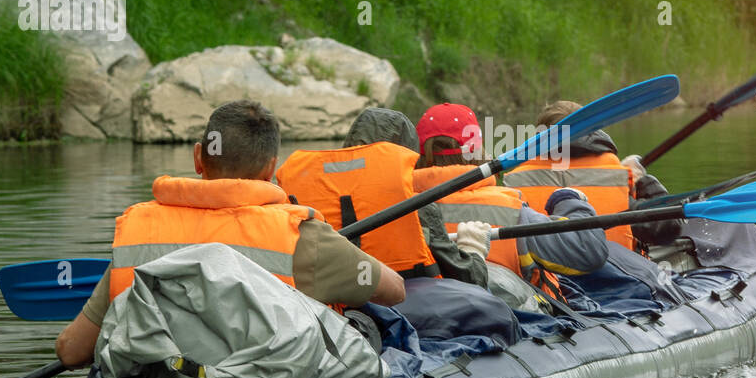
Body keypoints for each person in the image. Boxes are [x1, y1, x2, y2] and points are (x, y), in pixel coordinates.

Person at [55, 100, 405, 369]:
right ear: (271, 168)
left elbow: (71, 351)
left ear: (197, 158)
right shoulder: (302, 235)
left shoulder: (139, 231)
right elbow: (393, 290)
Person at [414, 103, 610, 305]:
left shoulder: (395, 207)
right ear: (477, 152)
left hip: (424, 314)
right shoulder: (508, 212)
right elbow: (589, 251)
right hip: (514, 324)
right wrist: (569, 201)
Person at [276, 108, 490, 289]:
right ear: (405, 158)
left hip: (331, 306)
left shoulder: (296, 201)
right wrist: (474, 248)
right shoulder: (418, 206)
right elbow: (471, 280)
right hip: (407, 308)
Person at [503, 100, 682, 252]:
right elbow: (670, 228)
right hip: (618, 281)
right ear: (592, 133)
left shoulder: (514, 182)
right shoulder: (615, 177)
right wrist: (642, 180)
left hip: (543, 287)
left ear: (539, 138)